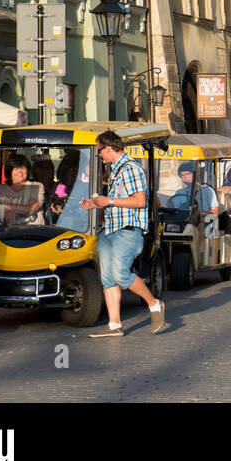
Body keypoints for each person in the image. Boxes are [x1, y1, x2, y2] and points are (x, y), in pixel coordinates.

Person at [82, 130, 165, 336]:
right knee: (108, 279)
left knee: (121, 274)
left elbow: (139, 201)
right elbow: (118, 200)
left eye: (99, 149)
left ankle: (154, 304)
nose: (99, 154)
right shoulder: (114, 169)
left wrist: (107, 201)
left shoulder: (131, 168)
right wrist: (94, 204)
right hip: (109, 230)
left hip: (126, 231)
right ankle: (114, 325)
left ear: (108, 148)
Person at [0, 155, 44, 225]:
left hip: (31, 231)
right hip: (5, 232)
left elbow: (30, 209)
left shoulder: (36, 186)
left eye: (23, 168)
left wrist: (4, 208)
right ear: (9, 171)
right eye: (16, 169)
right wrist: (5, 213)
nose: (20, 172)